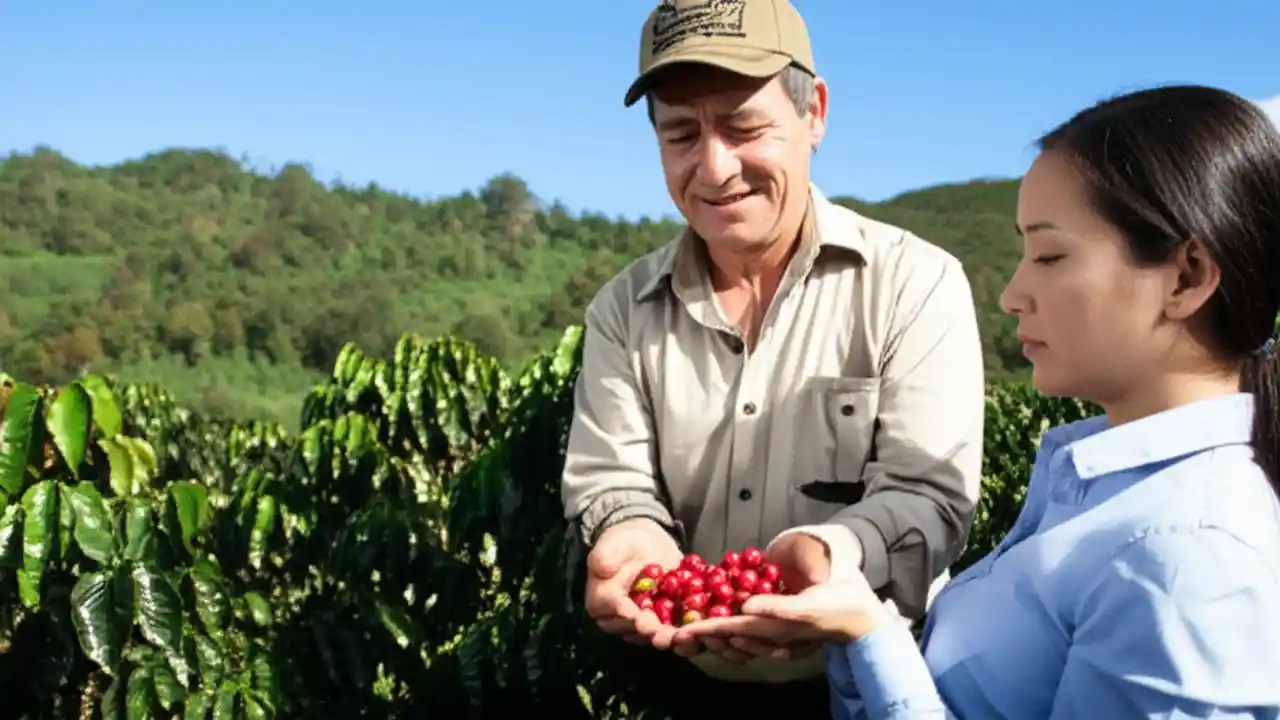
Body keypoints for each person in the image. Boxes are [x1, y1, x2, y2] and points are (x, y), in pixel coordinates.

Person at [671, 83, 1280, 718]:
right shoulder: (1096, 491)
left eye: (1049, 255)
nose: (1013, 294)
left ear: (1187, 277)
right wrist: (859, 625)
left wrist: (872, 635)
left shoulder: (1188, 559)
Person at [558, 0, 986, 712]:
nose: (714, 166)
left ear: (813, 113)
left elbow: (929, 496)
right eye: (681, 134)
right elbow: (614, 480)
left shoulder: (913, 282)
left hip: (868, 686)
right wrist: (630, 539)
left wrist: (833, 554)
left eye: (743, 126)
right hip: (686, 678)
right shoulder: (623, 311)